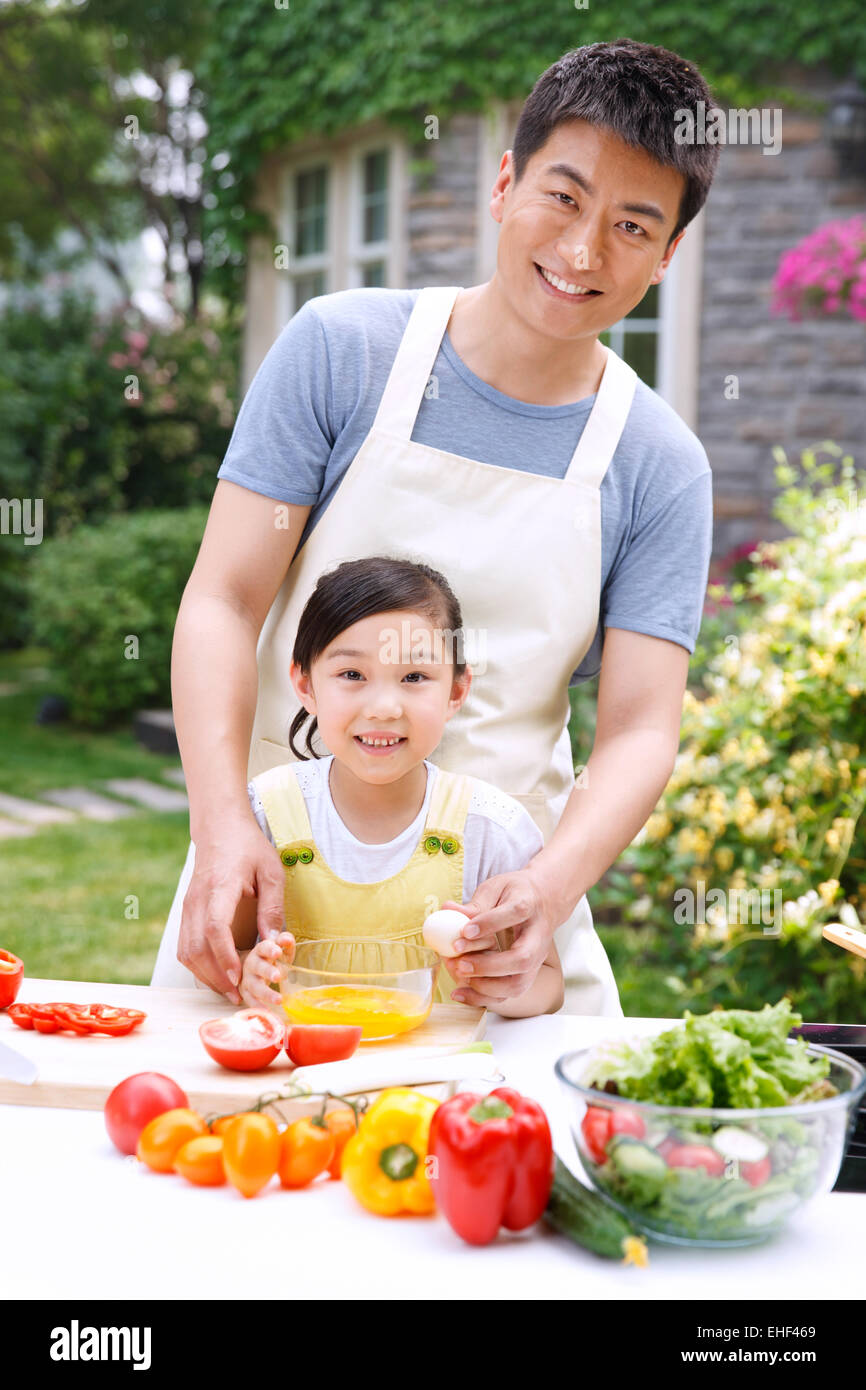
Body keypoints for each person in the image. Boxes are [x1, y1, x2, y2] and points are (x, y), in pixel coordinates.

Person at [152, 38, 719, 1015]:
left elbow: (637, 729)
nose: (583, 251)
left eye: (632, 225)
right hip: (272, 908)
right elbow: (223, 597)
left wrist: (546, 889)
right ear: (504, 183)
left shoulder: (657, 463)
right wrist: (217, 827)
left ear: (667, 254)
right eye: (563, 196)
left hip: (500, 940)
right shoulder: (342, 353)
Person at [236, 555, 562, 1019]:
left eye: (414, 677)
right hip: (301, 1072)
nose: (385, 707)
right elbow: (230, 955)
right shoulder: (264, 813)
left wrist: (503, 985)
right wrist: (248, 973)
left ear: (455, 692)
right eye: (352, 675)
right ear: (305, 685)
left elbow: (549, 982)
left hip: (437, 1081)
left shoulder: (492, 828)